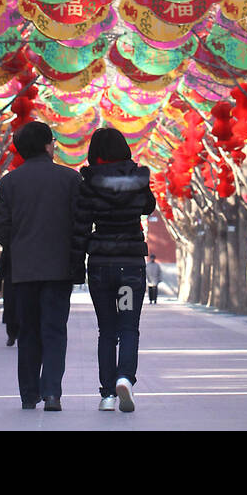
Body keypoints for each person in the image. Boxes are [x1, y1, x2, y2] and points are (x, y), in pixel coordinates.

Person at [0, 121, 80, 411]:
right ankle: (52, 392)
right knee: (55, 330)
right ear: (46, 145)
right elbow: (80, 224)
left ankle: (28, 394)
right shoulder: (70, 180)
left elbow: (1, 230)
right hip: (59, 268)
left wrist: (20, 245)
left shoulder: (8, 183)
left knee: (28, 331)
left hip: (23, 270)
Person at [71, 126, 156, 413]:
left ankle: (107, 395)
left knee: (107, 330)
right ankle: (125, 379)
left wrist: (74, 266)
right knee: (129, 326)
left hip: (100, 266)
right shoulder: (137, 179)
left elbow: (81, 227)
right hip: (130, 266)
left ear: (95, 153)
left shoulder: (89, 183)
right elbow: (148, 207)